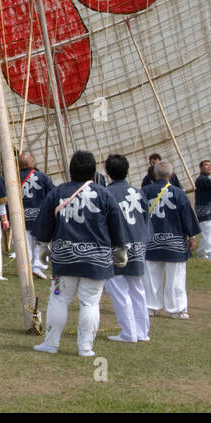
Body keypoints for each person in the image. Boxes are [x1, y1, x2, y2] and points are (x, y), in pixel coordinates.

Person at [32, 150, 126, 357]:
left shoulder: (57, 193)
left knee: (59, 299)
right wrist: (120, 248)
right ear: (94, 172)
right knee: (90, 302)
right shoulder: (104, 194)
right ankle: (85, 347)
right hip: (97, 258)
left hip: (64, 257)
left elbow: (45, 223)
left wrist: (44, 246)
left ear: (70, 170)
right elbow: (117, 225)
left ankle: (51, 343)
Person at [101, 154, 151, 343]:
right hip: (137, 244)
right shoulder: (138, 192)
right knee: (137, 290)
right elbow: (146, 221)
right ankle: (142, 332)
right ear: (127, 170)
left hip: (116, 246)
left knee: (119, 290)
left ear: (107, 172)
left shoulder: (105, 193)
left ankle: (129, 333)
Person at [142, 160, 199, 319]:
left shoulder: (144, 192)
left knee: (151, 276)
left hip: (151, 241)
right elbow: (187, 216)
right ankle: (177, 309)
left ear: (154, 174)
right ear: (171, 175)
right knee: (176, 277)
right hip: (175, 241)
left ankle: (150, 307)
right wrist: (192, 237)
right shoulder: (178, 193)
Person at [16, 152, 53, 278]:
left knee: (25, 244)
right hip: (40, 216)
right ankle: (38, 267)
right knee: (42, 243)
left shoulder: (14, 178)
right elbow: (52, 194)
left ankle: (26, 267)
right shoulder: (42, 176)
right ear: (30, 162)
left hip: (21, 216)